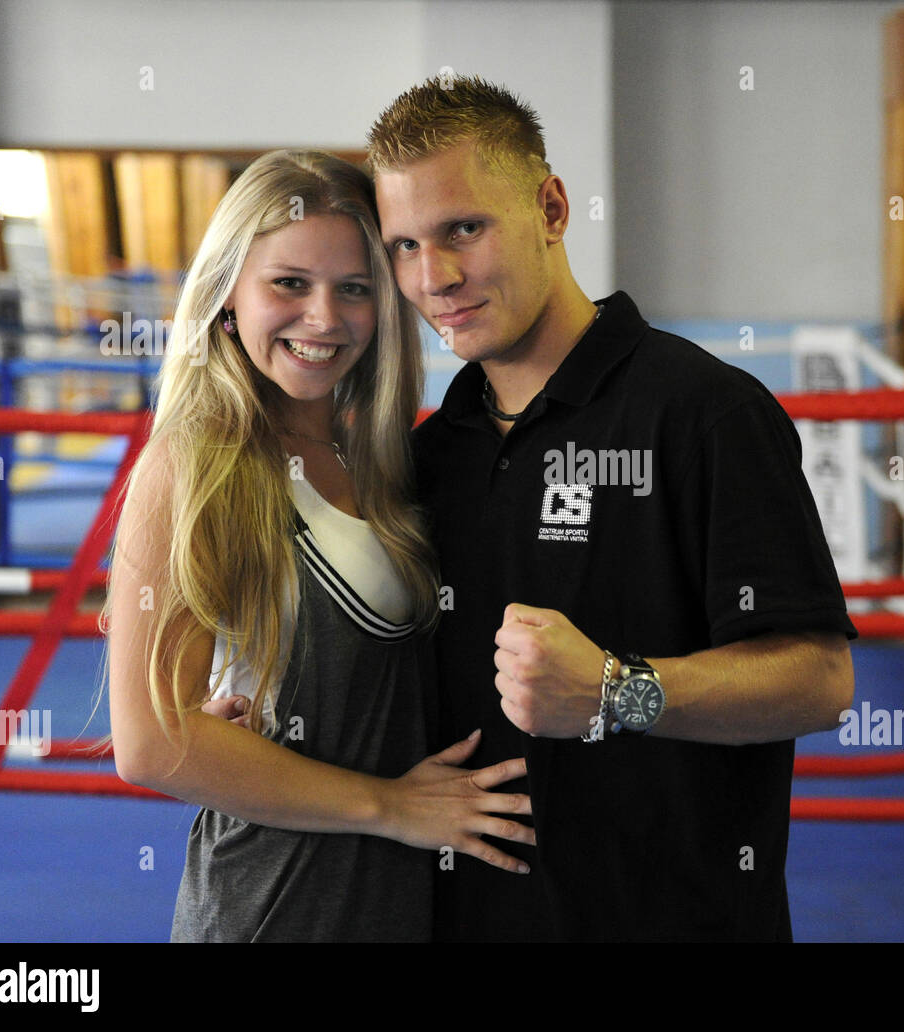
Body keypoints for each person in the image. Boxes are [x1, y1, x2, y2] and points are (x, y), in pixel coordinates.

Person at [367, 77, 858, 942]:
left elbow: (818, 681)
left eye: (464, 230)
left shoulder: (708, 414)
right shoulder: (435, 454)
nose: (433, 278)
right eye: (404, 245)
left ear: (551, 207)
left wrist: (615, 690)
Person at [105, 149, 534, 943]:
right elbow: (152, 741)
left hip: (397, 901)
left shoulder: (383, 459)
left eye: (355, 290)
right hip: (274, 904)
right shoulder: (198, 463)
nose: (325, 319)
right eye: (289, 284)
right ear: (228, 291)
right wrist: (394, 805)